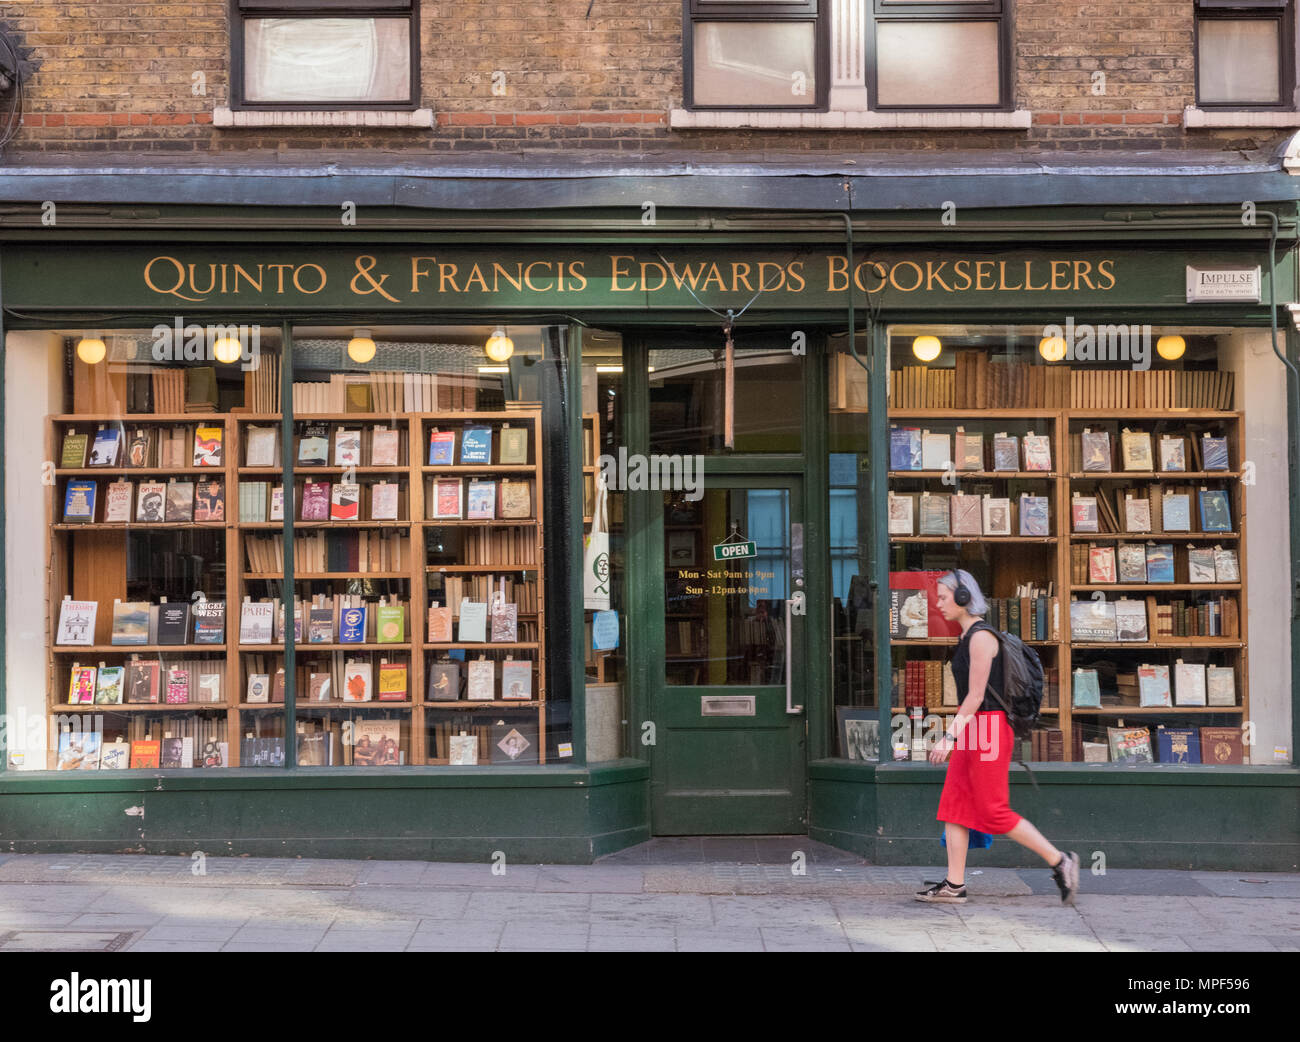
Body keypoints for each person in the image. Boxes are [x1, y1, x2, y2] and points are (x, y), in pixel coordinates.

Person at [915, 569, 1080, 905]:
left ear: (964, 598)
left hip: (988, 728)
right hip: (976, 727)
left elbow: (975, 696)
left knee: (992, 812)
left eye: (944, 598)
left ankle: (1060, 862)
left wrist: (948, 737)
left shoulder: (980, 637)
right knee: (955, 806)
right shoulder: (967, 637)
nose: (939, 604)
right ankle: (954, 885)